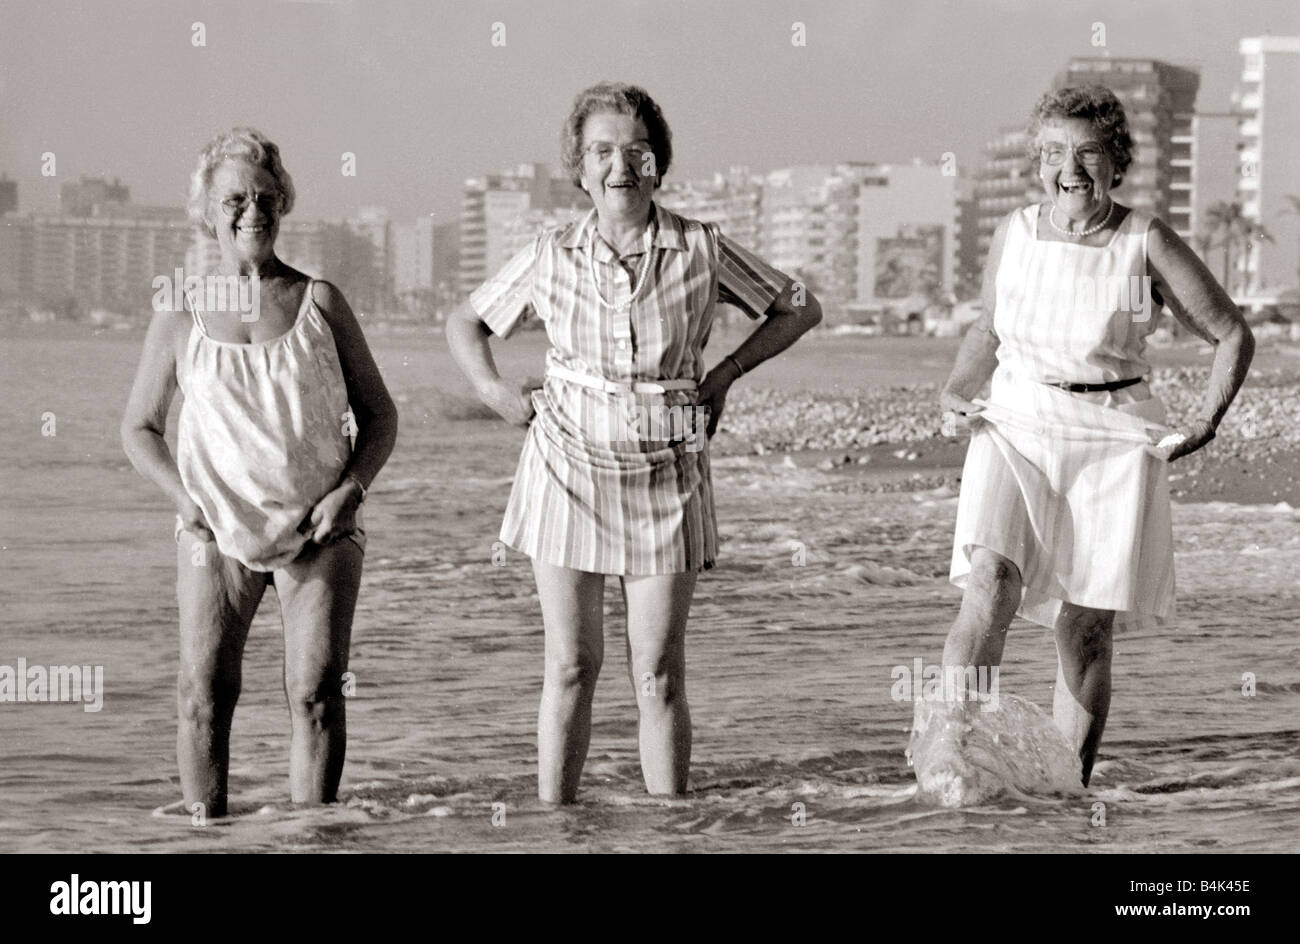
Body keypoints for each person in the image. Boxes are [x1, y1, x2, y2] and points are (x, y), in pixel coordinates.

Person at [447, 82, 822, 803]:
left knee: (657, 672)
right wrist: (494, 392)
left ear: (659, 165)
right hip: (564, 469)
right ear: (581, 170)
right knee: (570, 667)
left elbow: (800, 307)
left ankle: (669, 832)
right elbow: (465, 325)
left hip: (668, 475)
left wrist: (728, 373)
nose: (621, 166)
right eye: (602, 152)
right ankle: (559, 828)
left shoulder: (700, 247)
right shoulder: (549, 253)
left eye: (637, 151)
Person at [938, 86, 1254, 786]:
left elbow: (1231, 332)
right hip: (1016, 421)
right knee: (989, 585)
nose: (1068, 168)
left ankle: (1065, 787)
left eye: (1087, 152)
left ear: (1116, 161)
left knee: (1083, 629)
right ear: (1037, 163)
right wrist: (958, 388)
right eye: (1052, 152)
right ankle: (950, 769)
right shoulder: (1013, 231)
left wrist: (1206, 421)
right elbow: (988, 327)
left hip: (1112, 438)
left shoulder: (1145, 240)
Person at [120, 128, 398, 816]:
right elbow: (139, 428)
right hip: (213, 531)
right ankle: (206, 834)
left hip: (320, 529)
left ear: (284, 205)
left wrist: (349, 492)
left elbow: (381, 416)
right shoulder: (180, 312)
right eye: (235, 199)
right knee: (204, 694)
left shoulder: (321, 303)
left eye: (267, 197)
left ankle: (310, 837)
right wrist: (184, 502)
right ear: (207, 211)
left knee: (316, 692)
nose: (253, 211)